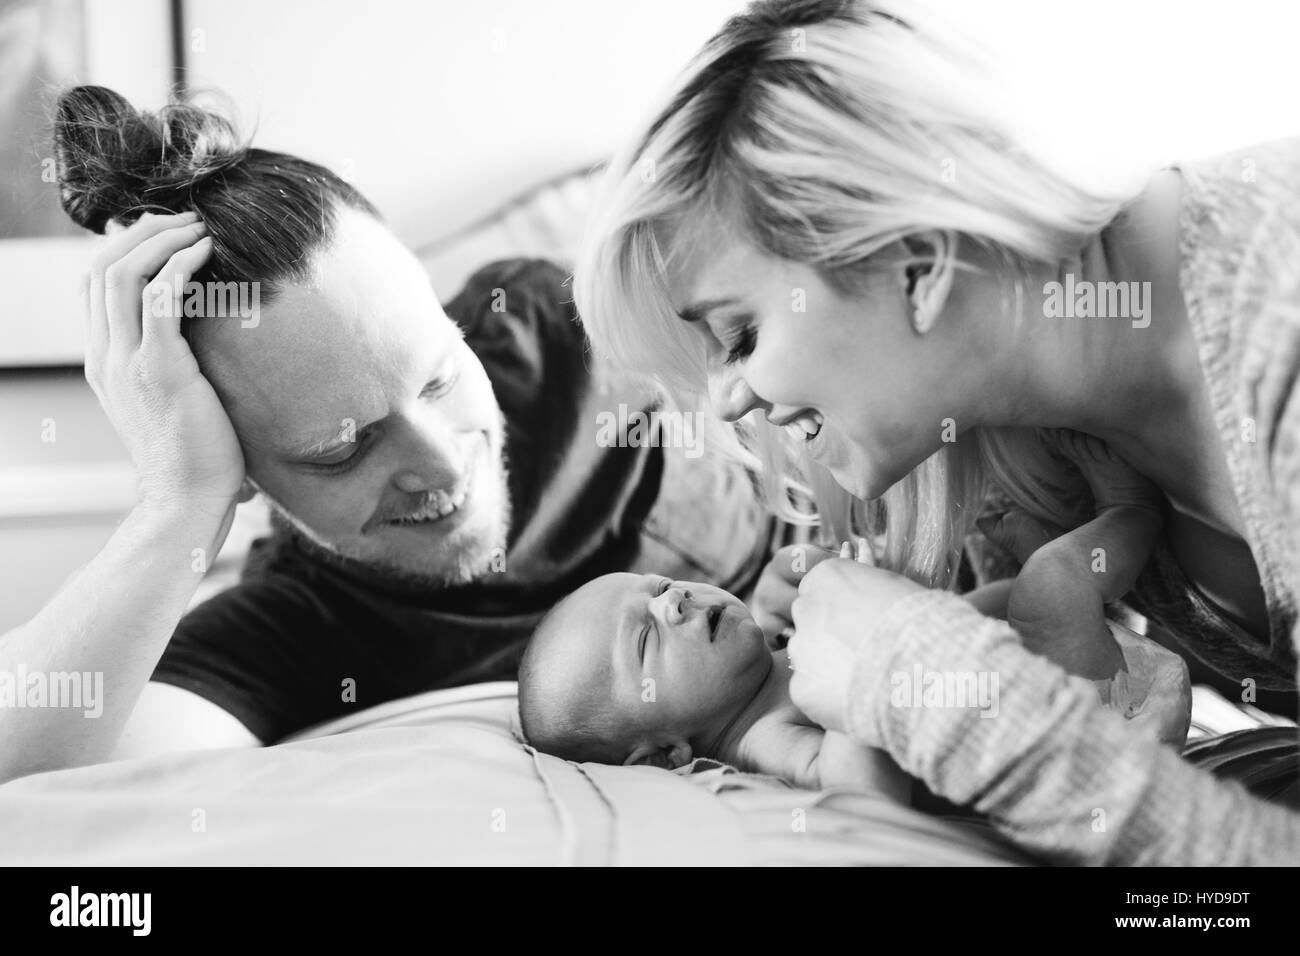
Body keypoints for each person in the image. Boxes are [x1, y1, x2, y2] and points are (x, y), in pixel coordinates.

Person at [574, 0, 1300, 862]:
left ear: (917, 258)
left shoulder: (1275, 317)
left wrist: (937, 691)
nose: (729, 405)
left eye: (740, 335)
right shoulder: (1006, 458)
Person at [0, 86, 771, 783]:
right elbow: (27, 782)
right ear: (243, 470)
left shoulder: (554, 317)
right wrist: (177, 504)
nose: (442, 464)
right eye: (343, 450)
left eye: (438, 376)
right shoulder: (293, 631)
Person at [516, 444, 1191, 789]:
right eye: (645, 636)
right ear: (666, 753)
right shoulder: (767, 741)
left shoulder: (753, 677)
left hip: (1019, 685)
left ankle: (1108, 575)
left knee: (996, 594)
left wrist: (790, 594)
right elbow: (864, 792)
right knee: (1048, 584)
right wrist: (857, 673)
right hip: (1081, 743)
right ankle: (1135, 514)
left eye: (660, 584)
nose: (675, 601)